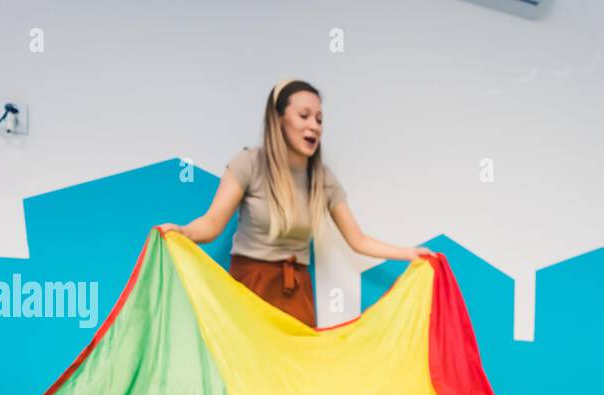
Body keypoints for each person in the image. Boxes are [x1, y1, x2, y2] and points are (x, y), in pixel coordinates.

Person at [159, 78, 430, 327]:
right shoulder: (249, 163)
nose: (314, 125)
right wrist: (183, 232)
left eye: (319, 119)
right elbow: (212, 223)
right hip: (250, 288)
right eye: (304, 116)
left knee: (294, 376)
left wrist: (410, 253)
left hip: (296, 294)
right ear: (278, 120)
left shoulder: (323, 179)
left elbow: (357, 239)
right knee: (249, 372)